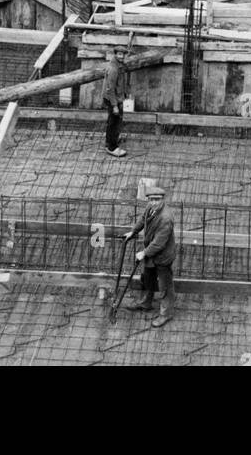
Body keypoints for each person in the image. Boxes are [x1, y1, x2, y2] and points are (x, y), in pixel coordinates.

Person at [125, 181, 177, 328]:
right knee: (148, 278)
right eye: (151, 199)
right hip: (151, 252)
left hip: (162, 255)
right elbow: (142, 220)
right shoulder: (150, 208)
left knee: (165, 285)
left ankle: (166, 314)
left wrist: (144, 253)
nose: (154, 202)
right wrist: (134, 231)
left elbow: (160, 242)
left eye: (157, 200)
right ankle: (145, 303)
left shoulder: (166, 218)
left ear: (162, 200)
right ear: (148, 200)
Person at [101, 46, 128, 158]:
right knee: (114, 123)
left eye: (123, 54)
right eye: (119, 54)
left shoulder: (119, 65)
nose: (121, 56)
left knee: (114, 121)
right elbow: (110, 89)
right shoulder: (113, 69)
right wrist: (114, 106)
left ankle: (111, 141)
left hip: (117, 97)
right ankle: (112, 147)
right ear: (115, 54)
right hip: (112, 99)